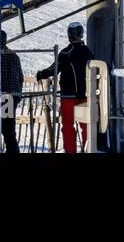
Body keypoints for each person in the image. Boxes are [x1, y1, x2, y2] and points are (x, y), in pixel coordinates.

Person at [36, 21, 93, 153]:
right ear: (81, 34)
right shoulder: (87, 52)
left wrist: (41, 74)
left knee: (67, 125)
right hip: (85, 95)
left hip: (68, 96)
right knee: (86, 125)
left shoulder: (66, 53)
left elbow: (54, 69)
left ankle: (70, 150)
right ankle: (88, 149)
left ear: (69, 35)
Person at [0, 28, 24, 155]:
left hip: (2, 97)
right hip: (11, 97)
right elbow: (21, 78)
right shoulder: (14, 55)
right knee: (9, 128)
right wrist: (18, 95)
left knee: (1, 127)